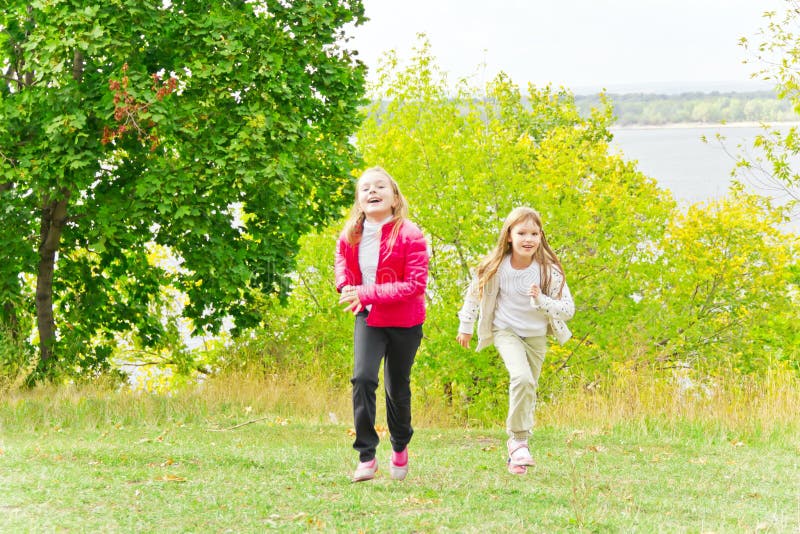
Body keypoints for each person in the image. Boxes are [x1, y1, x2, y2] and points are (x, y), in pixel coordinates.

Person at [456, 207, 574, 475]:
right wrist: (466, 326)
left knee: (529, 387)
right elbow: (473, 296)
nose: (528, 239)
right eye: (521, 233)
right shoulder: (496, 267)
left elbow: (568, 310)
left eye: (534, 233)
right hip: (505, 331)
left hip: (536, 336)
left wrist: (541, 300)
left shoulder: (549, 271)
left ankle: (516, 456)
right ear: (509, 235)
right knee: (521, 378)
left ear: (541, 236)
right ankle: (518, 441)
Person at [335, 166, 429, 482]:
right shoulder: (351, 233)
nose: (372, 191)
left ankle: (400, 445)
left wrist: (366, 292)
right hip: (369, 316)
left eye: (380, 187)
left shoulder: (410, 234)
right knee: (362, 379)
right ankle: (367, 456)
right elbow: (342, 262)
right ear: (359, 201)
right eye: (365, 189)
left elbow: (415, 285)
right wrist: (345, 286)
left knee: (396, 387)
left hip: (404, 320)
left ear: (394, 198)